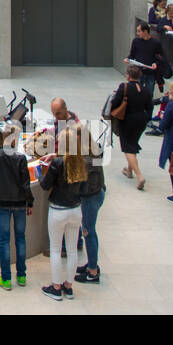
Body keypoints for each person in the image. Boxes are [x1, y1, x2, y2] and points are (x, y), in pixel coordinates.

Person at [0, 122, 33, 290]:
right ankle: (21, 276)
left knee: (4, 241)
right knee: (20, 239)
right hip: (20, 204)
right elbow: (26, 184)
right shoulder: (21, 158)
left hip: (3, 204)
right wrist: (30, 202)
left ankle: (5, 278)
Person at [40, 128, 87, 301]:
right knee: (73, 250)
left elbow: (45, 185)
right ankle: (68, 286)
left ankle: (56, 286)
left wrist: (42, 172)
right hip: (75, 210)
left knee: (55, 249)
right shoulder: (81, 161)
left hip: (58, 211)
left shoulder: (58, 164)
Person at [73, 121, 107, 285]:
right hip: (97, 193)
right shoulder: (94, 149)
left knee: (88, 231)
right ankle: (91, 264)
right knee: (88, 230)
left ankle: (92, 272)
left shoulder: (86, 159)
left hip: (90, 197)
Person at [109, 66, 153, 191]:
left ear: (128, 75)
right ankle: (129, 170)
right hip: (141, 120)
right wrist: (145, 117)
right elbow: (150, 107)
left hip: (127, 120)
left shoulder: (124, 87)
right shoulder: (145, 90)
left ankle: (139, 176)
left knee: (128, 147)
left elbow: (116, 102)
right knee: (132, 144)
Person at [128, 21, 169, 91]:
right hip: (138, 72)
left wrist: (156, 63)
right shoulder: (136, 41)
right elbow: (132, 55)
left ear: (145, 31)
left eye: (139, 31)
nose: (137, 33)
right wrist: (128, 59)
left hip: (150, 72)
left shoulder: (155, 43)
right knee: (136, 92)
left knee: (149, 93)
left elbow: (161, 57)